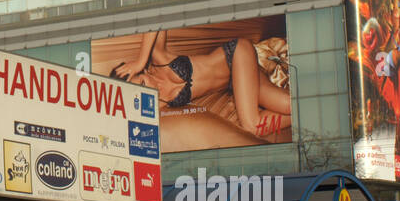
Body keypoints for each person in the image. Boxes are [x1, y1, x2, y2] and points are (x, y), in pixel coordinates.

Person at [110, 30, 290, 138]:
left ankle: (307, 111)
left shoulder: (158, 59)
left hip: (237, 55)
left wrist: (141, 60)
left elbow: (155, 13)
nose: (150, 88)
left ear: (142, 72)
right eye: (142, 93)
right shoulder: (158, 105)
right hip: (242, 80)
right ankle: (309, 110)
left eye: (142, 82)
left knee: (251, 126)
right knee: (290, 105)